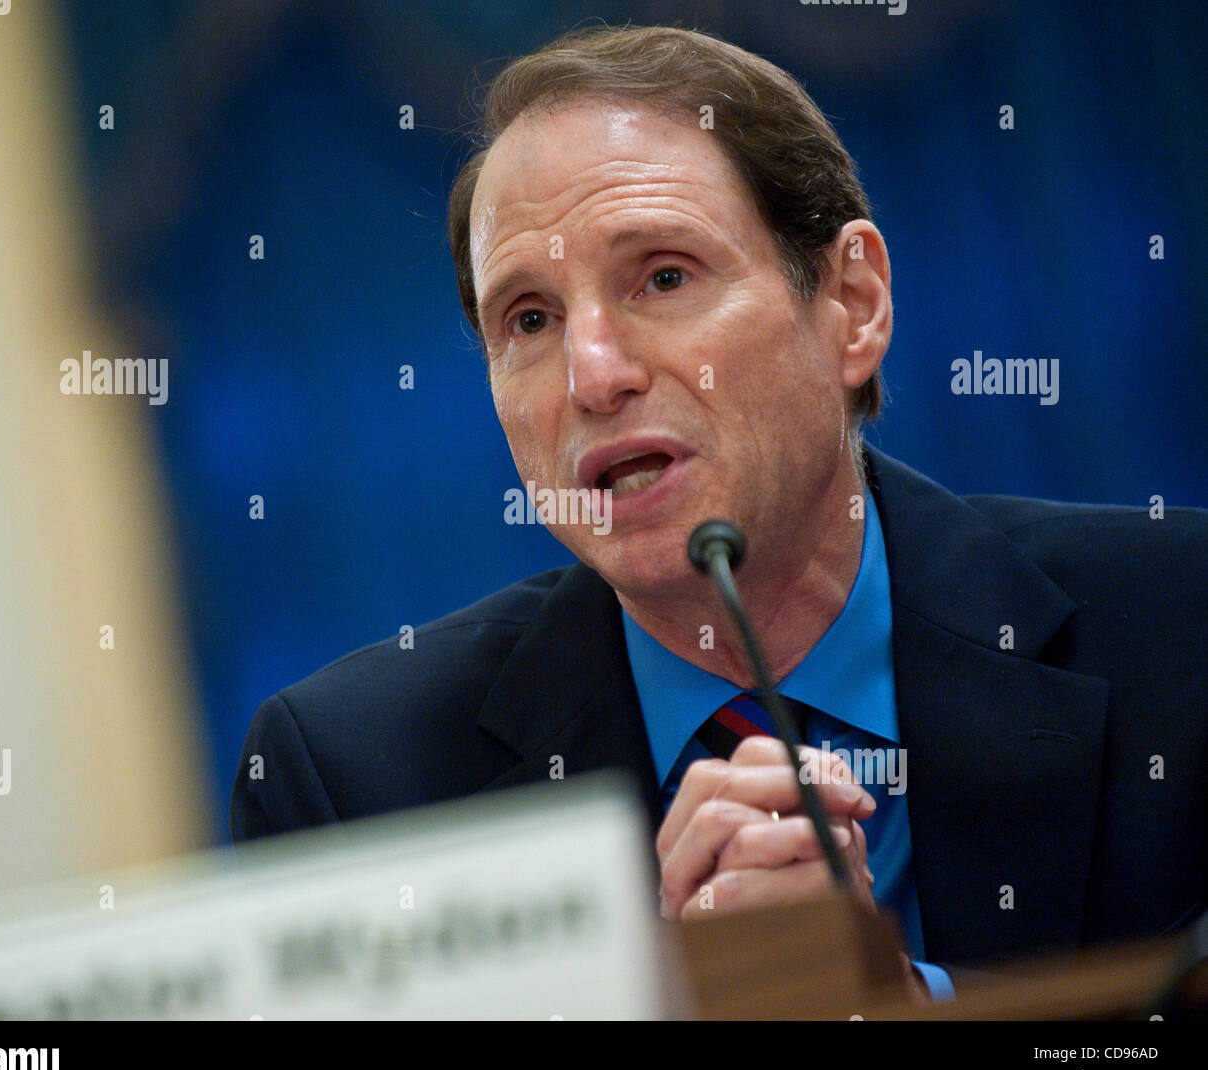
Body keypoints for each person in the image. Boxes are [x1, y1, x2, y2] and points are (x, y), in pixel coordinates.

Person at [230, 26, 1207, 999]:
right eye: (528, 319)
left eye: (662, 277)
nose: (593, 375)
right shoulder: (358, 787)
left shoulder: (1175, 626)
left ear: (853, 303)